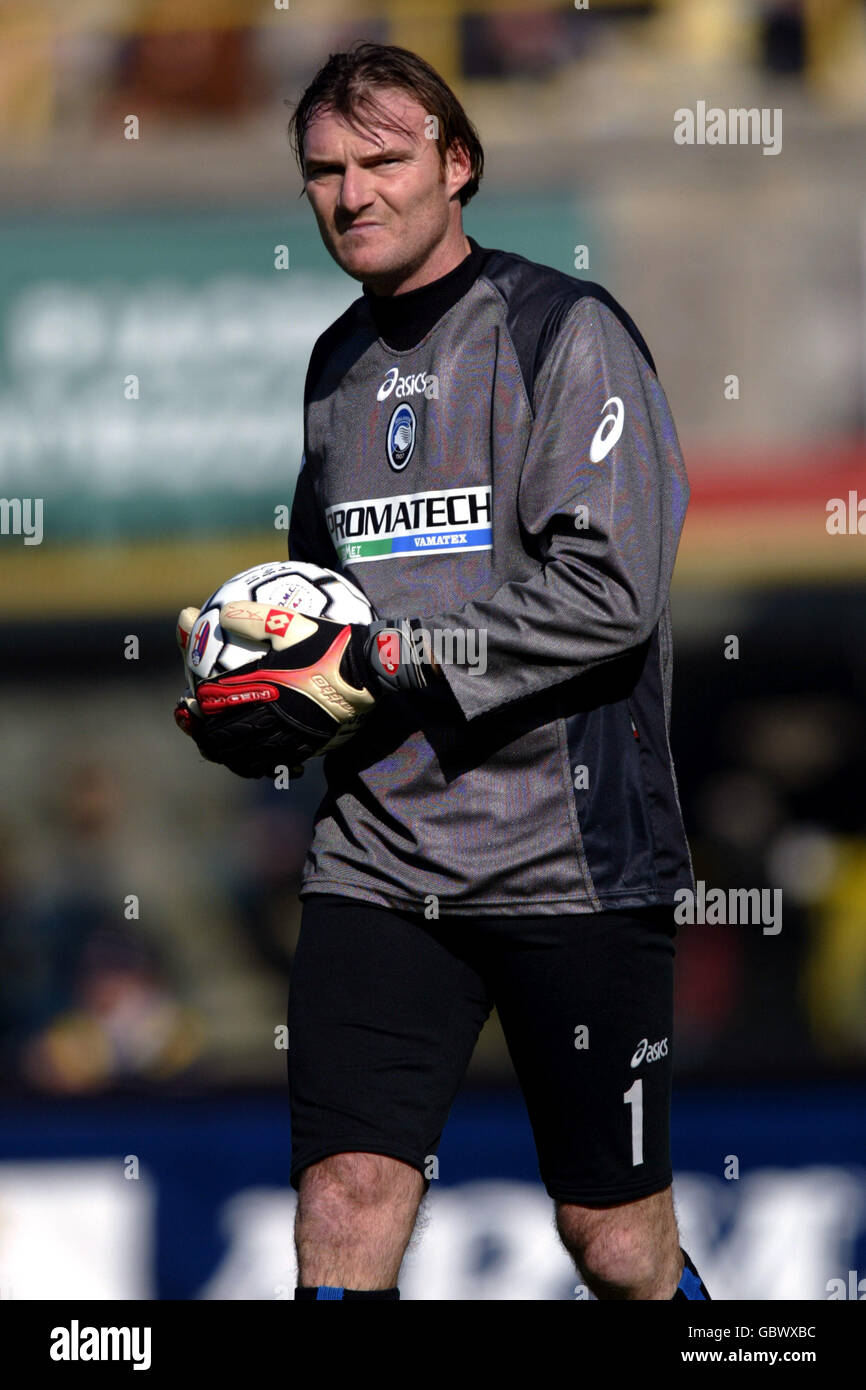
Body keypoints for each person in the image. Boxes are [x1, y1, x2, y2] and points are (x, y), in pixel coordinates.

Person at [175, 40, 710, 1302]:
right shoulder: (334, 366)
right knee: (343, 1200)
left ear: (457, 164)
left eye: (382, 160)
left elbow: (611, 592)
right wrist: (262, 698)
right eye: (323, 171)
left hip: (569, 858)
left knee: (612, 1239)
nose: (351, 194)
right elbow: (329, 612)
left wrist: (390, 658)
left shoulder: (563, 330)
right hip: (379, 860)